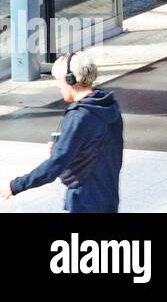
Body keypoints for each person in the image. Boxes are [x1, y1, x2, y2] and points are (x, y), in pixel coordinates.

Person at [1, 52, 123, 213]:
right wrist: (63, 146)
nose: (59, 86)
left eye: (59, 81)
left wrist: (16, 185)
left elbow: (55, 165)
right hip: (108, 198)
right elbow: (100, 149)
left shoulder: (79, 117)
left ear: (70, 80)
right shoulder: (109, 105)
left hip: (85, 201)